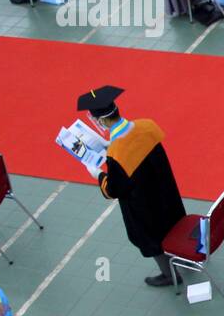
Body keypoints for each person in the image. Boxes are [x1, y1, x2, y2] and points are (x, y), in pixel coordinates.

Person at [77, 84, 188, 286]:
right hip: (166, 194)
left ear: (101, 121)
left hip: (145, 209)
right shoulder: (147, 126)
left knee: (154, 240)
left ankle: (170, 275)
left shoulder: (116, 154)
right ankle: (184, 256)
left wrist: (99, 174)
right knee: (173, 227)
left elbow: (114, 190)